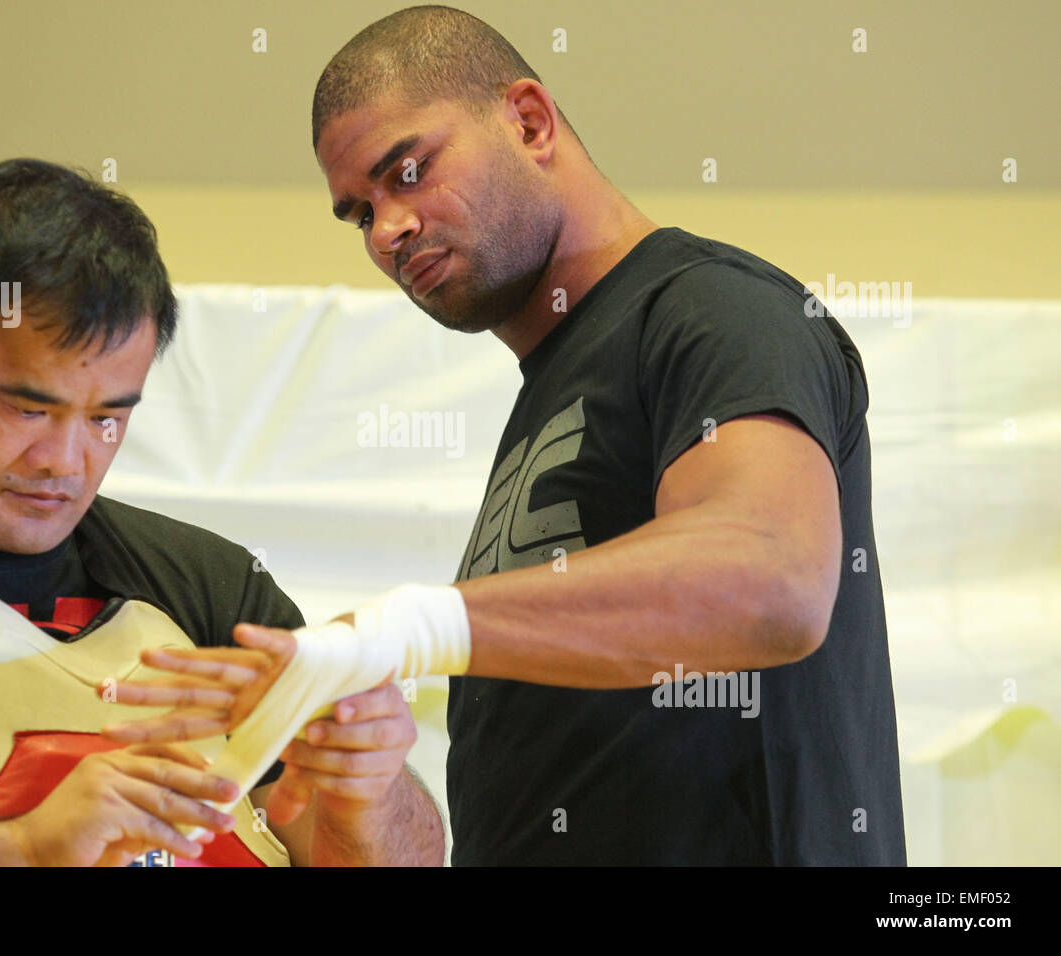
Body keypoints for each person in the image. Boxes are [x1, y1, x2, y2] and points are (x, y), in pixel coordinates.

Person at [117, 5, 906, 866]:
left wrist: (406, 628)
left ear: (528, 121)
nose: (387, 231)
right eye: (359, 213)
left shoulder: (712, 310)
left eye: (410, 170)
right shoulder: (557, 387)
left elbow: (775, 577)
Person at [0, 157, 443, 867]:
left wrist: (371, 785)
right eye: (29, 408)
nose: (65, 460)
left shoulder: (211, 589)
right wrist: (18, 851)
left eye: (107, 418)